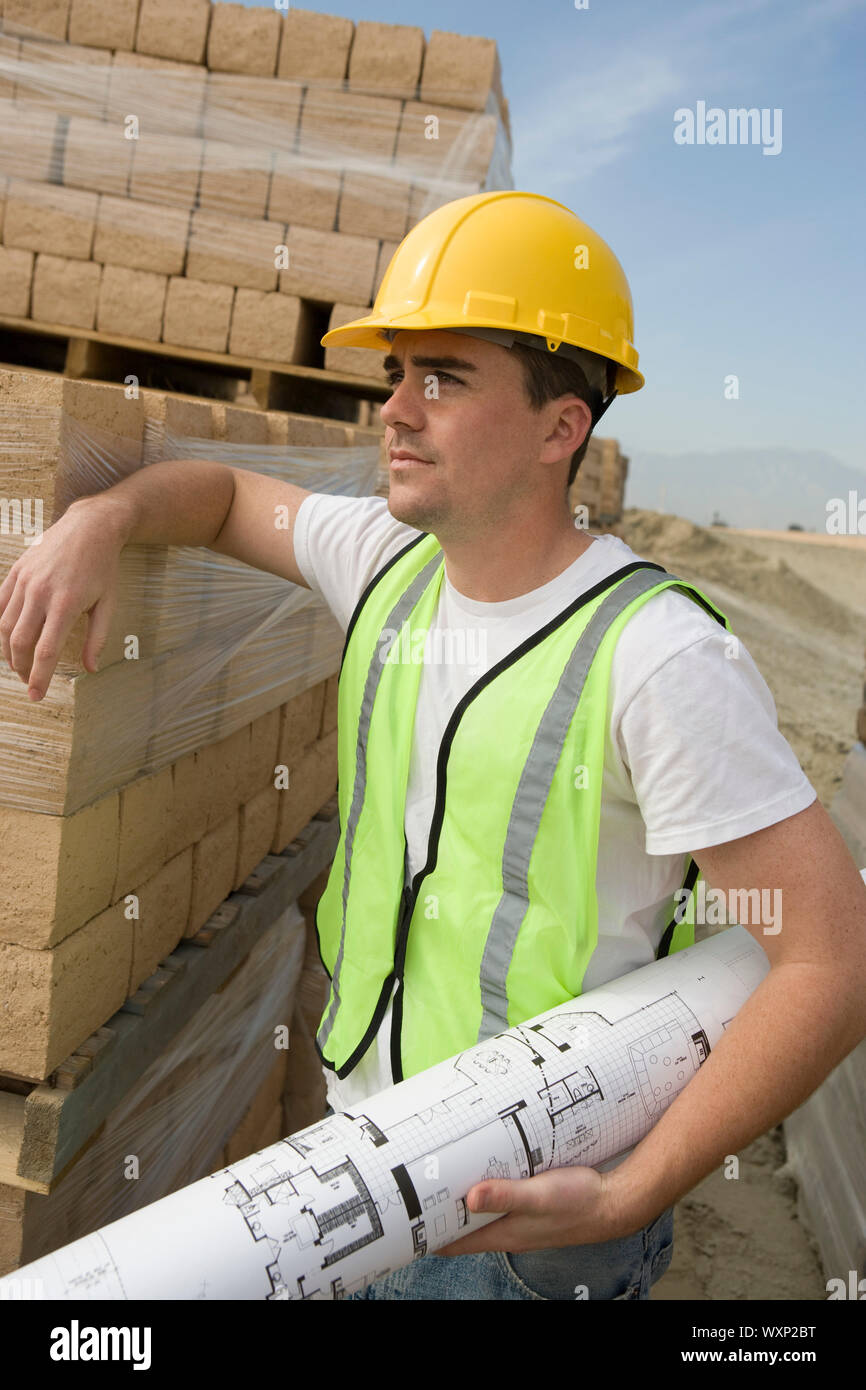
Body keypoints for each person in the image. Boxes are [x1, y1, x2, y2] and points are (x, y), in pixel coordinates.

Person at [2, 191, 865, 1303]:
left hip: (532, 1225)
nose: (394, 412)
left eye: (442, 379)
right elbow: (216, 497)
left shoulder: (656, 657)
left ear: (562, 428)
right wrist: (100, 520)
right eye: (395, 374)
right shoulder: (384, 561)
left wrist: (635, 1190)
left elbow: (830, 964)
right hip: (362, 1161)